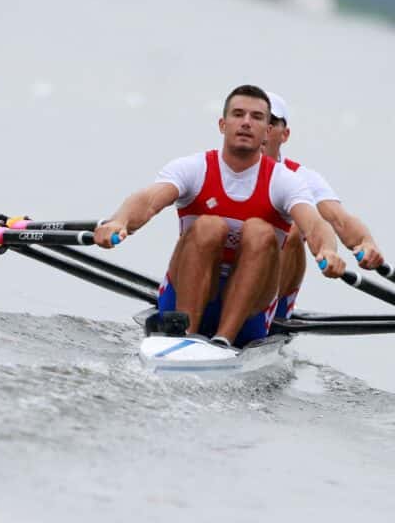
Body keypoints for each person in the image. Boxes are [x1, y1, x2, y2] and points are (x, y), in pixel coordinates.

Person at [94, 84, 345, 349]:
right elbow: (148, 200)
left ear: (267, 132)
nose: (246, 123)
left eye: (257, 117)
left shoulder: (285, 181)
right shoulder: (193, 168)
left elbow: (314, 224)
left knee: (260, 231)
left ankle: (224, 340)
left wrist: (328, 250)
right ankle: (184, 335)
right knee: (208, 226)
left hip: (250, 314)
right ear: (222, 124)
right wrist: (119, 222)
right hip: (182, 299)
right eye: (238, 114)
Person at [263, 91, 383, 320]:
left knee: (293, 229)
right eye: (247, 118)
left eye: (269, 122)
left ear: (284, 134)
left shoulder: (302, 177)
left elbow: (339, 219)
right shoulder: (212, 167)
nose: (259, 128)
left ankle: (268, 314)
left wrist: (365, 244)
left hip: (270, 294)